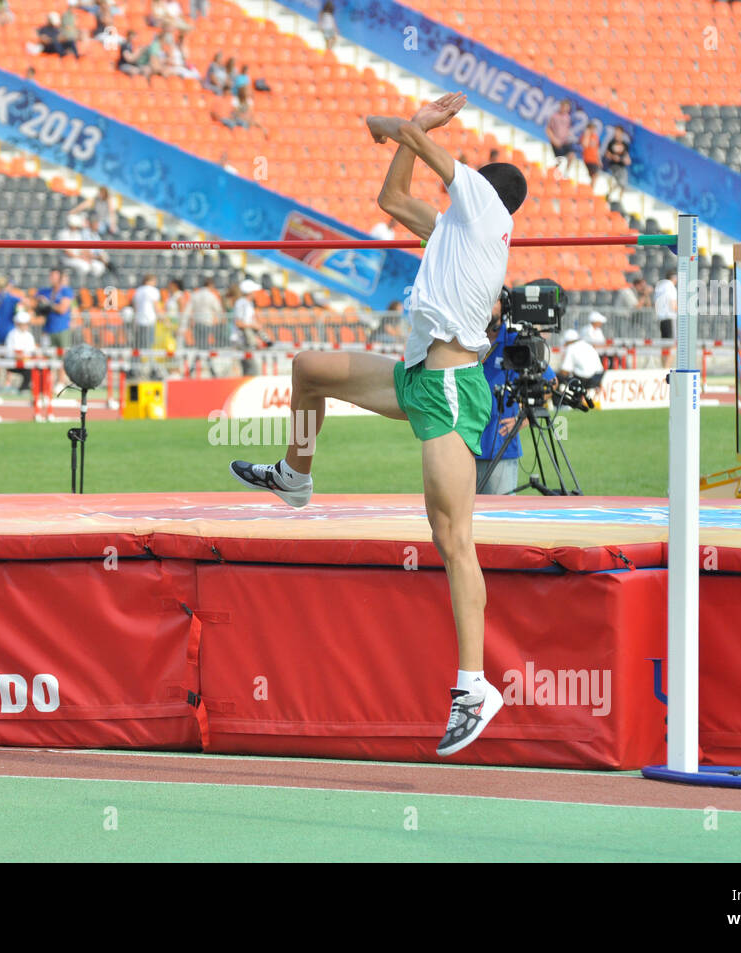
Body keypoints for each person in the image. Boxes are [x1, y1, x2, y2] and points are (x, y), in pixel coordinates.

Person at [229, 92, 528, 757]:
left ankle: (476, 686)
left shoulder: (482, 206)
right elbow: (392, 199)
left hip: (449, 392)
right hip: (418, 379)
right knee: (310, 369)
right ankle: (294, 475)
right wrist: (402, 139)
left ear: (488, 192)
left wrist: (408, 125)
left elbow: (423, 151)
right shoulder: (455, 227)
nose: (460, 179)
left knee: (452, 536)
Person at [475, 298, 555, 495]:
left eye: (493, 299)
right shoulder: (464, 340)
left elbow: (550, 384)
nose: (486, 304)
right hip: (462, 446)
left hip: (500, 447)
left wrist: (526, 418)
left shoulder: (516, 341)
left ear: (504, 306)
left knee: (499, 516)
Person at [36, 268, 75, 347]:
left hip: (62, 329)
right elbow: (33, 302)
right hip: (48, 329)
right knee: (49, 356)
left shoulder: (66, 291)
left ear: (59, 278)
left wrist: (48, 303)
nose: (51, 278)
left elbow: (62, 309)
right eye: (51, 276)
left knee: (64, 355)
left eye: (54, 276)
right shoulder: (45, 291)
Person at [131, 273, 162, 352]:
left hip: (139, 319)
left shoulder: (138, 290)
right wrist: (162, 317)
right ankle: (147, 361)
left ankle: (139, 361)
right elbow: (156, 306)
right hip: (149, 319)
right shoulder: (153, 291)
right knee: (149, 343)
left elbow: (135, 306)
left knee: (140, 343)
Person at [545, 99, 575, 177]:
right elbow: (548, 129)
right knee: (559, 160)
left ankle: (566, 173)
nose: (566, 109)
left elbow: (566, 129)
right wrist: (554, 139)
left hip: (564, 142)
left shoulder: (568, 117)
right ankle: (553, 173)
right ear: (561, 107)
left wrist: (569, 136)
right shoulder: (554, 116)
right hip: (556, 141)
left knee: (571, 155)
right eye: (565, 107)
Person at [602, 133, 631, 202]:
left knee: (623, 185)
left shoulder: (625, 145)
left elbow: (627, 157)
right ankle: (609, 195)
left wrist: (627, 160)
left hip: (622, 166)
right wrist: (613, 157)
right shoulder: (611, 143)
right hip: (614, 165)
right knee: (619, 183)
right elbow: (607, 154)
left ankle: (619, 200)